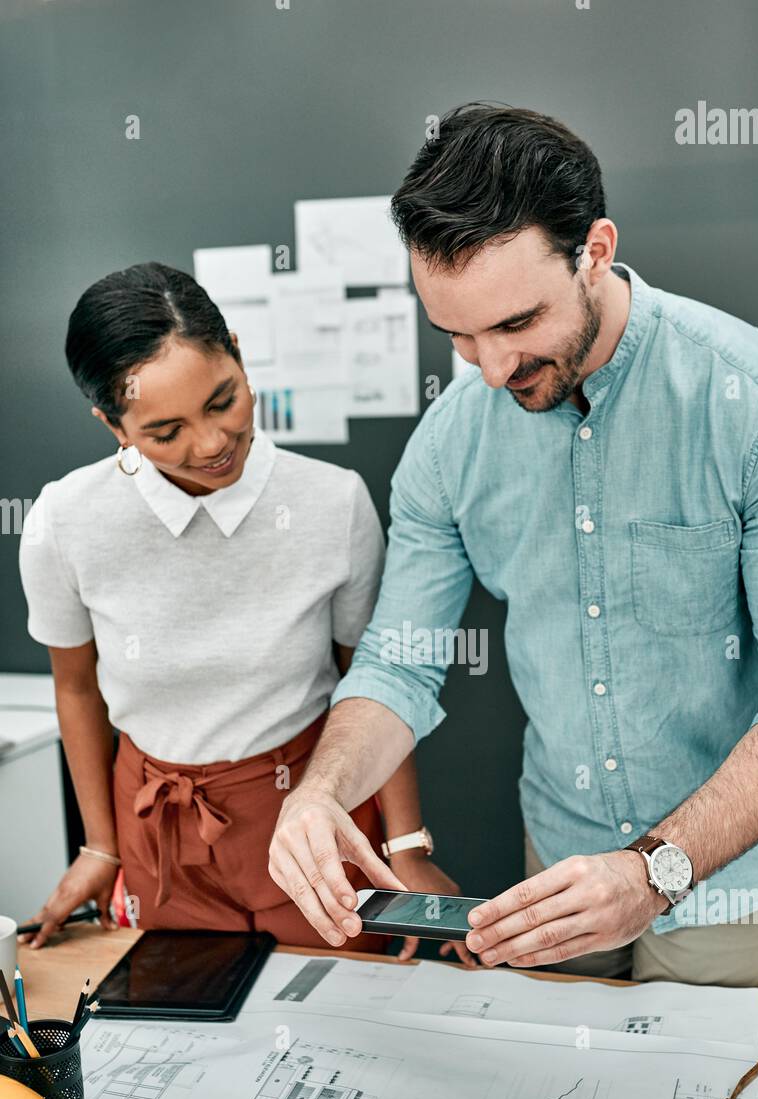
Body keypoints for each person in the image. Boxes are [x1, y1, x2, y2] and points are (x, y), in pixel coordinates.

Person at [268, 103, 758, 993]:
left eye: (514, 325)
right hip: (553, 859)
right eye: (458, 336)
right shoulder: (451, 440)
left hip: (721, 879)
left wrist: (653, 869)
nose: (490, 370)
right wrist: (317, 793)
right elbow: (398, 663)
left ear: (593, 250)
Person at [18, 262, 468, 960]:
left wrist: (404, 845)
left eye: (222, 400)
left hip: (308, 812)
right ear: (112, 425)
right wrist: (102, 848)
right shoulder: (66, 519)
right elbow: (75, 686)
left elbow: (374, 679)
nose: (210, 444)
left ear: (236, 350)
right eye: (164, 431)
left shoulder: (331, 501)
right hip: (154, 825)